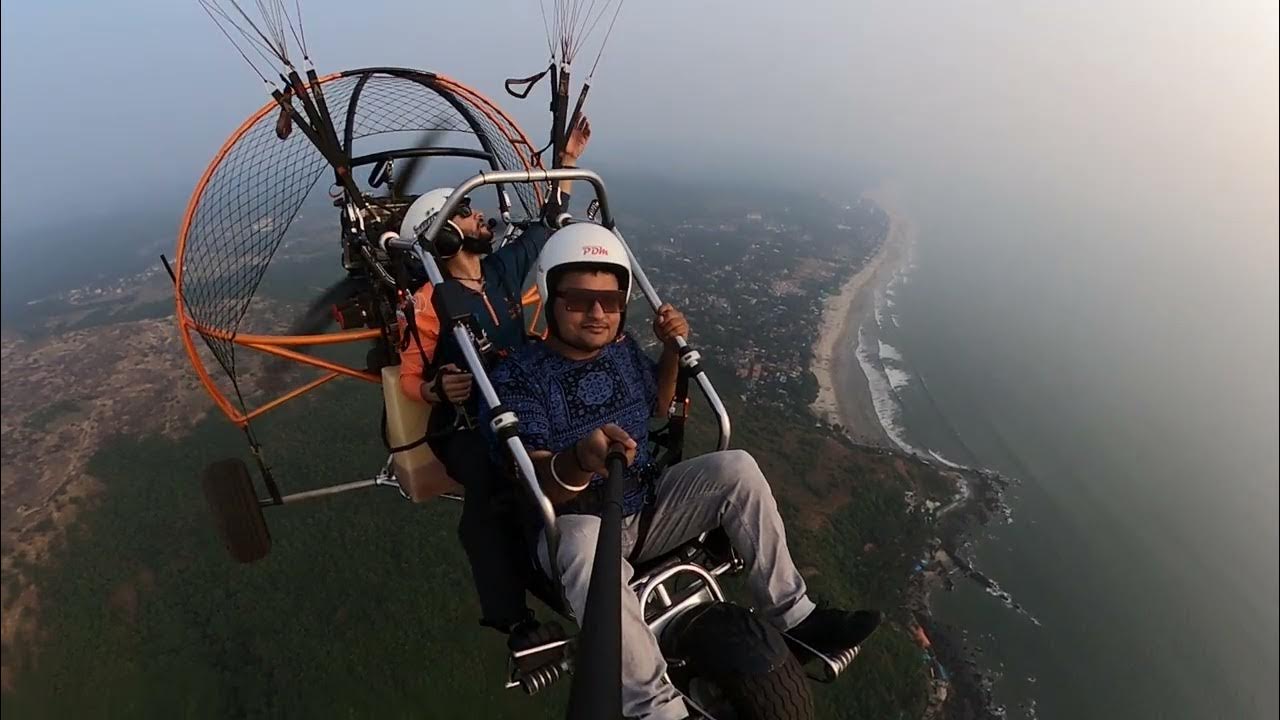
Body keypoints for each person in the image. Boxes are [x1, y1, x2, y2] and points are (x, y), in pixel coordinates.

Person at [483, 225, 882, 719]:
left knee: (737, 467)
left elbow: (658, 402)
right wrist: (579, 461)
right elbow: (534, 479)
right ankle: (655, 706)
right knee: (584, 544)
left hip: (646, 506)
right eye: (579, 300)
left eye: (609, 301)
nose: (597, 313)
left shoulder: (622, 349)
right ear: (551, 299)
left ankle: (794, 616)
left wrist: (670, 349)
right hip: (579, 524)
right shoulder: (522, 375)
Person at [397, 117, 592, 642]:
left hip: (521, 394)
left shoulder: (501, 272)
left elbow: (550, 223)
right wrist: (438, 390)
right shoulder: (426, 304)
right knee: (490, 485)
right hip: (463, 422)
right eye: (467, 211)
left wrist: (568, 161)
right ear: (444, 234)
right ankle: (515, 622)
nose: (481, 216)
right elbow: (410, 378)